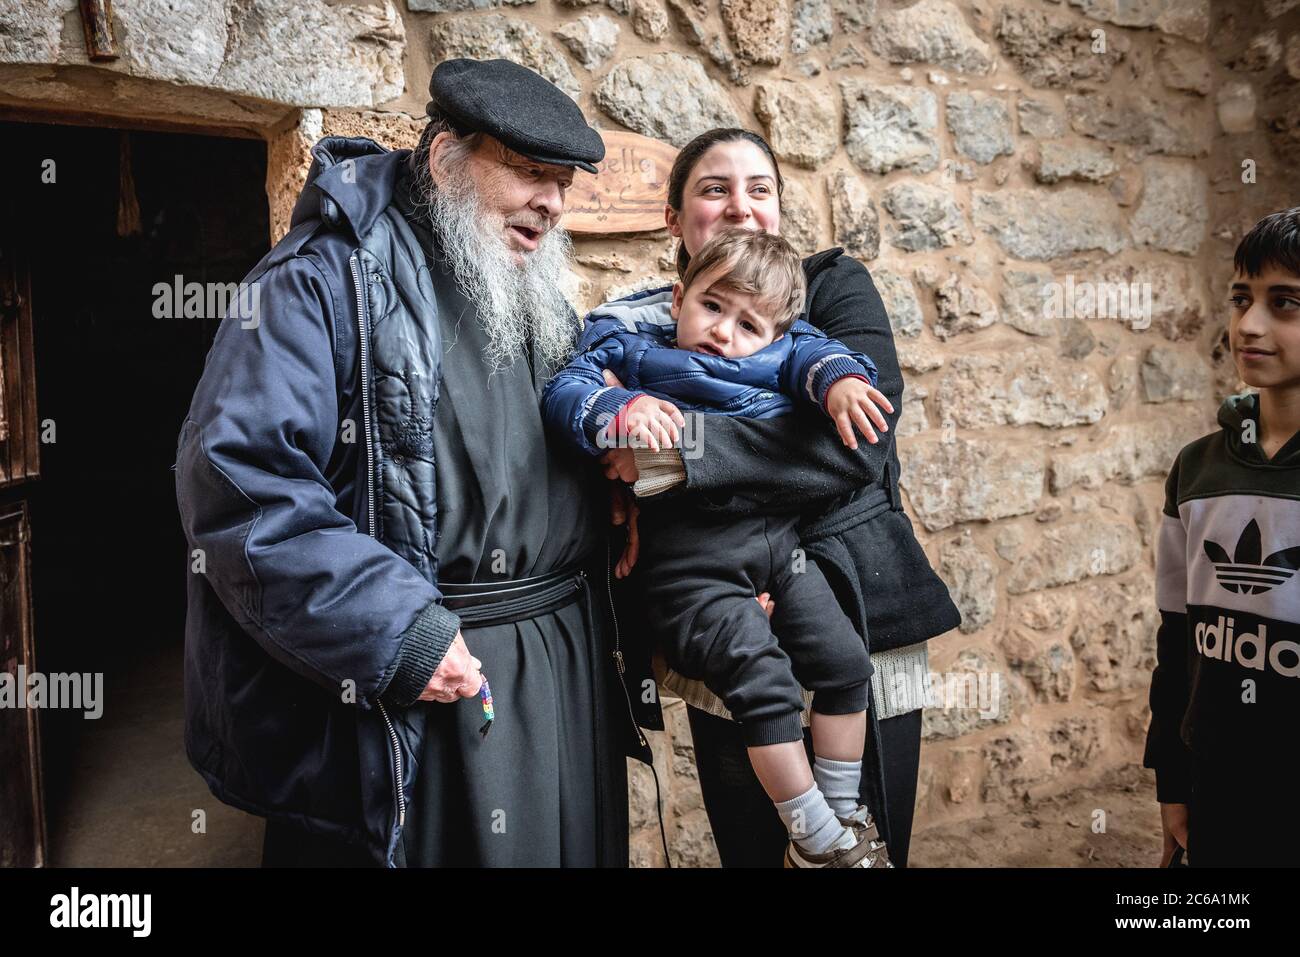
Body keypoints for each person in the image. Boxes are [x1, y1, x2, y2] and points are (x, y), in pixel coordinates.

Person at [174, 58, 658, 868]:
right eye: (530, 172)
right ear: (445, 161)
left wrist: (615, 491)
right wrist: (397, 631)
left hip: (563, 671)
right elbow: (237, 483)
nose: (552, 201)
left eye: (563, 182)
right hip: (428, 680)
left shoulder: (534, 285)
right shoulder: (316, 282)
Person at [598, 128, 961, 867]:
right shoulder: (638, 327)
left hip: (853, 597)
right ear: (674, 220)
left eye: (759, 189)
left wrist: (672, 458)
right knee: (754, 850)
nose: (740, 207)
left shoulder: (832, 288)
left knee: (859, 850)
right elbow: (593, 439)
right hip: (719, 601)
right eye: (714, 189)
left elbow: (855, 447)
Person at [544, 228, 894, 867]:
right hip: (690, 568)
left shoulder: (792, 350)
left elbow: (823, 363)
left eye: (748, 323)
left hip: (780, 555)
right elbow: (566, 391)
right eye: (711, 306)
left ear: (778, 333)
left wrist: (841, 384)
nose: (724, 331)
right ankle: (815, 837)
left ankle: (842, 820)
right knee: (767, 688)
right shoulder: (634, 347)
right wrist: (618, 410)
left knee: (847, 667)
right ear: (679, 298)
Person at [1143, 207, 1300, 868]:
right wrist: (1173, 781)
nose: (1249, 324)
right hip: (1219, 787)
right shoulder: (1197, 469)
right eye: (1241, 298)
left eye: (1284, 303)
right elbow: (1177, 641)